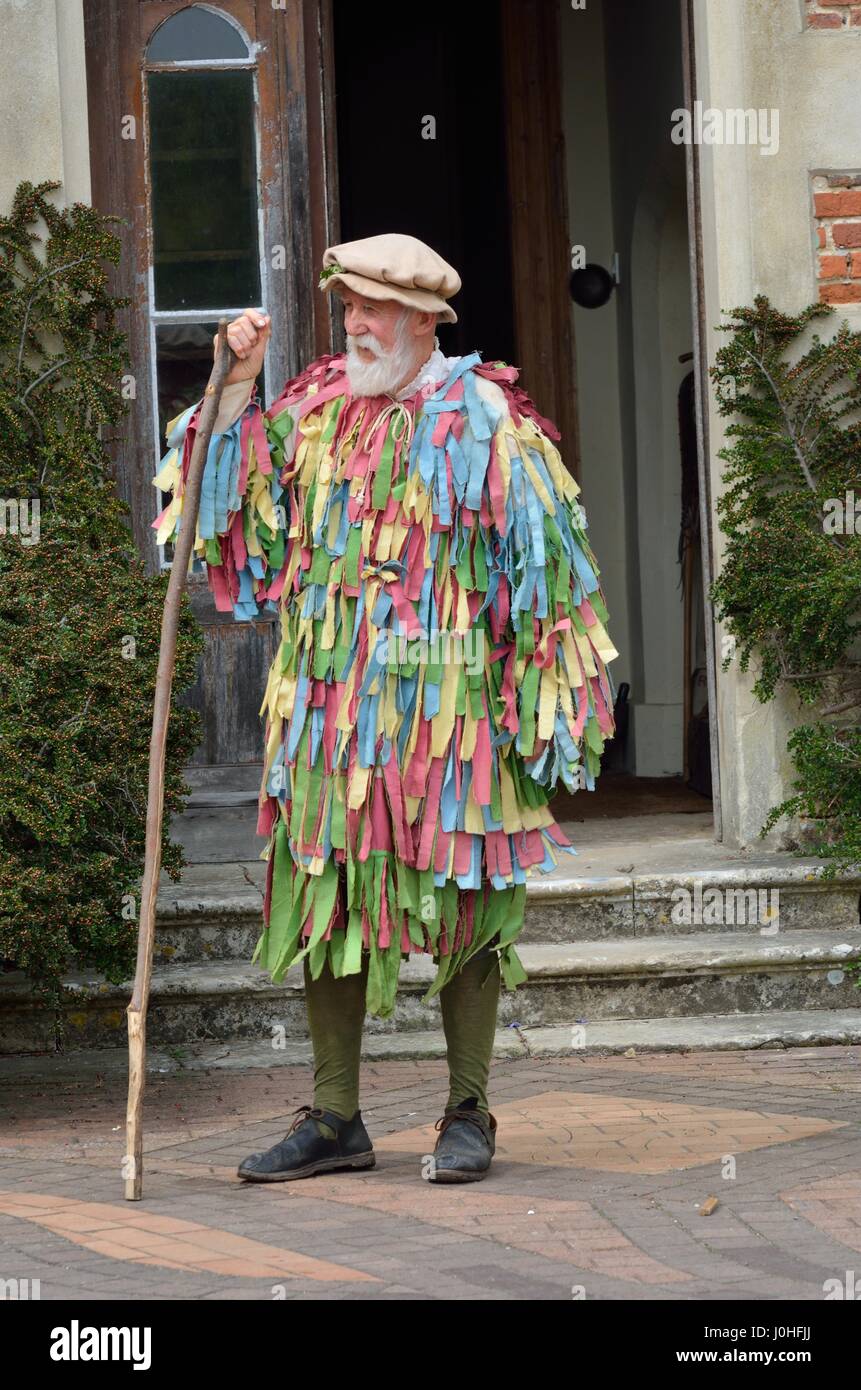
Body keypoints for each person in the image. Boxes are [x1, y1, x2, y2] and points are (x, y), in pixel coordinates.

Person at [154, 233, 618, 1184]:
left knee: (466, 903)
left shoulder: (488, 418)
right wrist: (234, 386)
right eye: (349, 308)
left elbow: (548, 583)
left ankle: (469, 1110)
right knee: (328, 895)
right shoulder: (317, 410)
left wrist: (550, 703)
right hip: (330, 715)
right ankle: (335, 1119)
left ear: (419, 321)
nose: (353, 324)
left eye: (371, 310)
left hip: (453, 724)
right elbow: (227, 505)